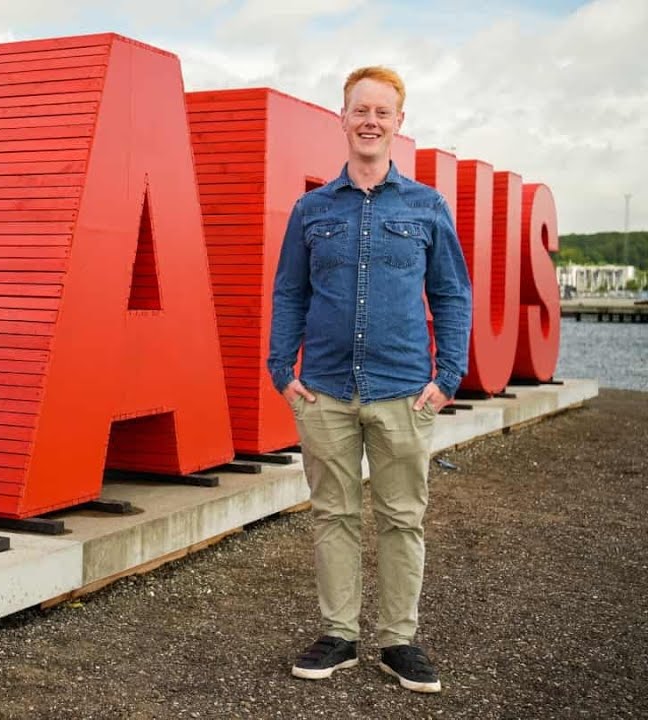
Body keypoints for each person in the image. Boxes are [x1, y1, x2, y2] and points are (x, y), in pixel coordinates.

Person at [267, 66, 473, 694]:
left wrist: (449, 376)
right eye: (361, 110)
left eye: (383, 112)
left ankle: (398, 641)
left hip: (403, 392)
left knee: (402, 519)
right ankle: (339, 635)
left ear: (398, 123)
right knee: (333, 514)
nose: (371, 121)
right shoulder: (311, 209)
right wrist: (282, 370)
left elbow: (452, 293)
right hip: (325, 390)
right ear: (343, 117)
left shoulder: (426, 206)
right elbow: (290, 292)